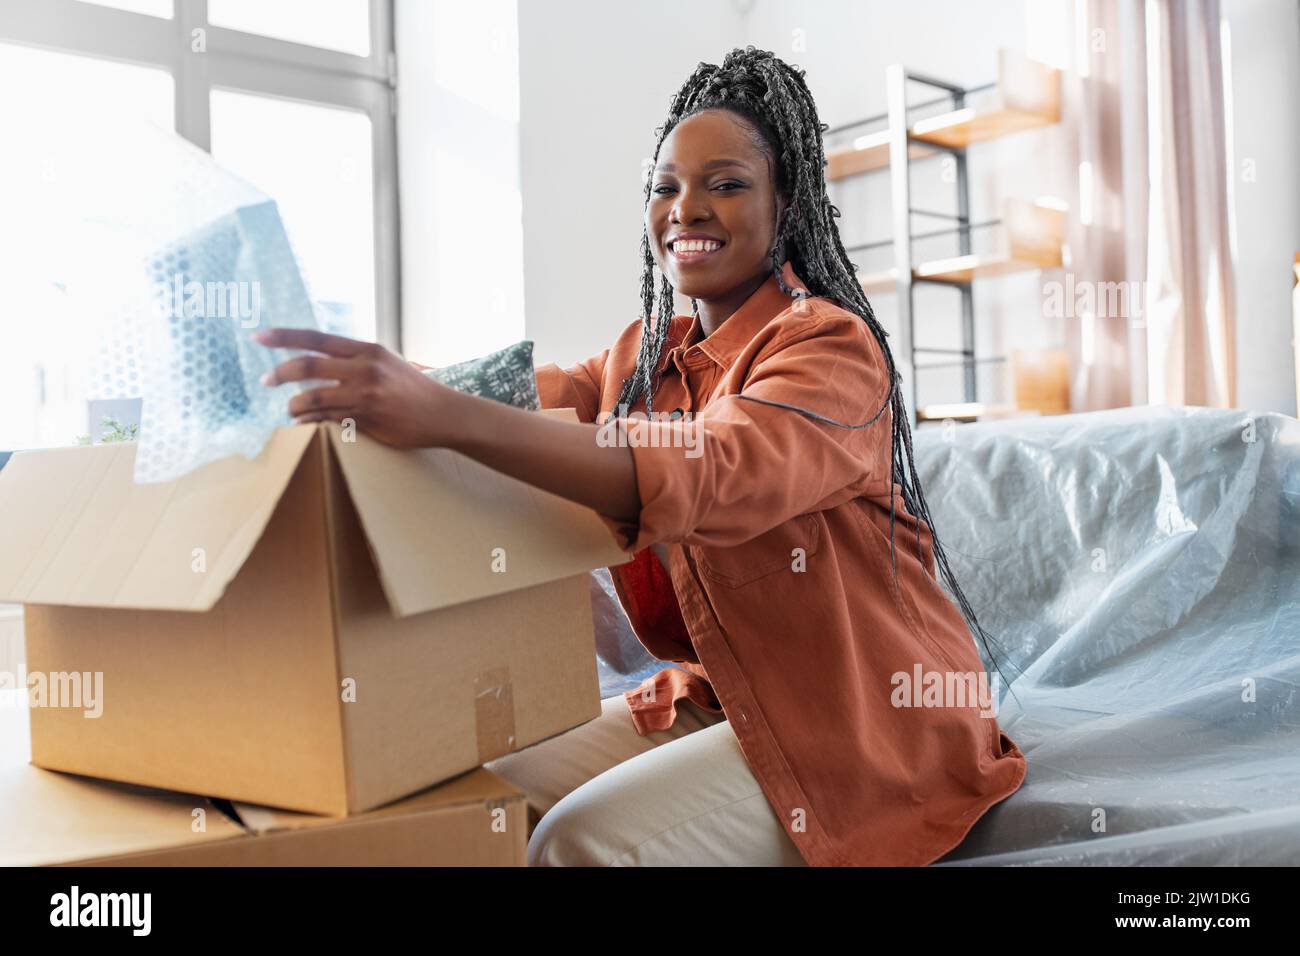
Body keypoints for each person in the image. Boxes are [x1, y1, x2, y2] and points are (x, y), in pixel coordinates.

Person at [255, 46, 1027, 867]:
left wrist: (438, 413)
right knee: (475, 796)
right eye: (666, 187)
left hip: (866, 727)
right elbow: (518, 394)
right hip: (725, 697)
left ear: (787, 204)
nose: (685, 209)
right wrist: (373, 381)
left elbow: (705, 469)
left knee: (577, 842)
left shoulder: (830, 349)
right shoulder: (639, 358)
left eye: (726, 184)